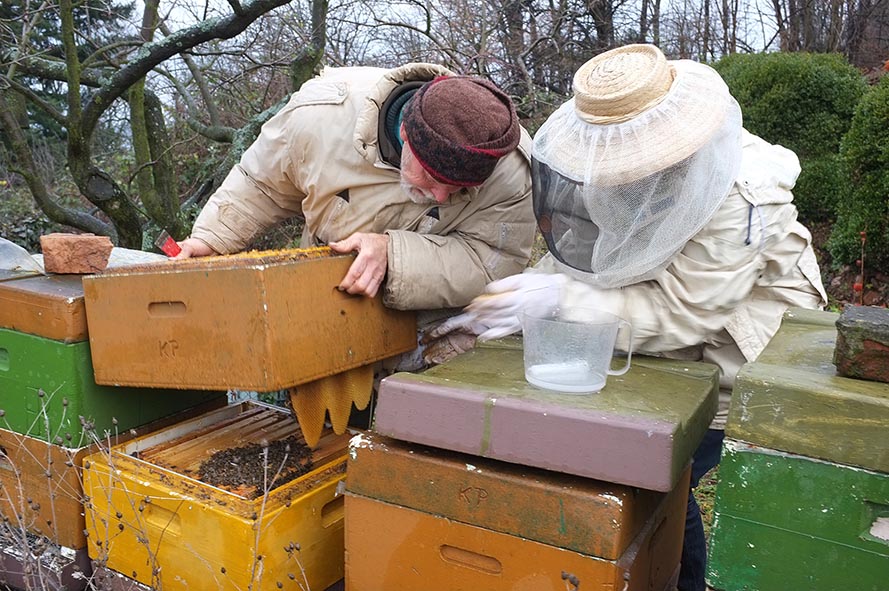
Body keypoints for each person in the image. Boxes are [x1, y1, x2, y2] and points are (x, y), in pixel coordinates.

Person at [429, 44, 827, 591]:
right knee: (641, 477)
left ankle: (682, 581)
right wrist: (518, 297)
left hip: (741, 354)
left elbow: (685, 313)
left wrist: (559, 303)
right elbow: (585, 246)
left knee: (670, 480)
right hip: (654, 342)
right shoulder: (604, 153)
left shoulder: (743, 195)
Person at [176, 64, 536, 314]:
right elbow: (262, 183)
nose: (441, 196)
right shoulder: (318, 116)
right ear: (406, 135)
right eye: (432, 178)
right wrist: (211, 239)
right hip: (318, 300)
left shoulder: (512, 169)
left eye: (459, 188)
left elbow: (493, 260)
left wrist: (392, 254)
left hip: (428, 322)